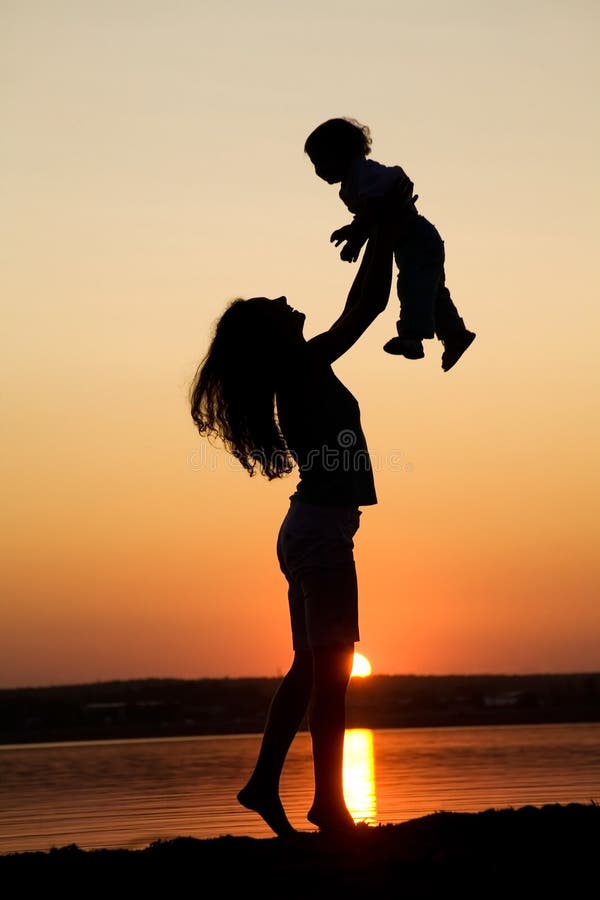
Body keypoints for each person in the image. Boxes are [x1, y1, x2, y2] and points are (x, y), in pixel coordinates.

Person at [189, 224, 394, 836]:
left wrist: (381, 234)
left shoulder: (300, 368)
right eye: (273, 308)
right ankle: (329, 805)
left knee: (311, 666)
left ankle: (261, 785)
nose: (284, 300)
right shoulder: (303, 366)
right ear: (274, 337)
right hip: (319, 533)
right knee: (329, 673)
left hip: (309, 529)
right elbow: (368, 308)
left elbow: (367, 306)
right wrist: (384, 233)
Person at [304, 116, 476, 372]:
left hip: (415, 237)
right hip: (410, 239)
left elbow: (383, 202)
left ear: (341, 153)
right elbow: (376, 216)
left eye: (321, 162)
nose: (318, 171)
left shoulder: (363, 174)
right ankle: (455, 335)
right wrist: (358, 234)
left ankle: (412, 337)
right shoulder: (354, 183)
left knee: (414, 286)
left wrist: (355, 235)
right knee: (431, 292)